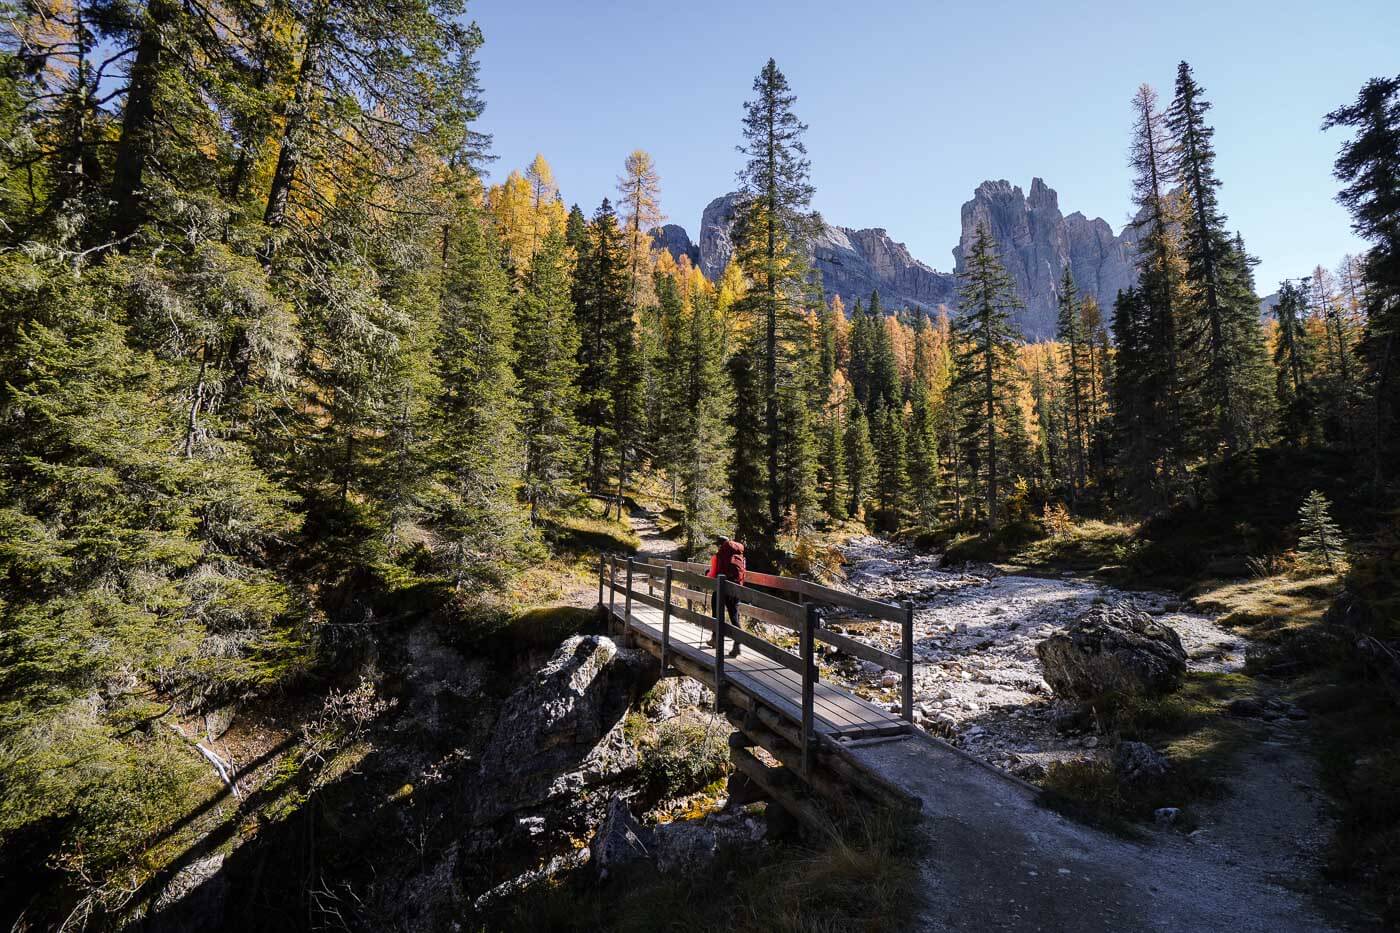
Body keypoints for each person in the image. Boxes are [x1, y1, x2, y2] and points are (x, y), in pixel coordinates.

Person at [705, 535, 746, 657]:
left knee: (716, 614)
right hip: (735, 589)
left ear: (720, 546)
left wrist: (707, 574)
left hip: (721, 588)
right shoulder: (740, 556)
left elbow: (712, 576)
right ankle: (737, 646)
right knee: (734, 617)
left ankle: (715, 640)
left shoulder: (719, 556)